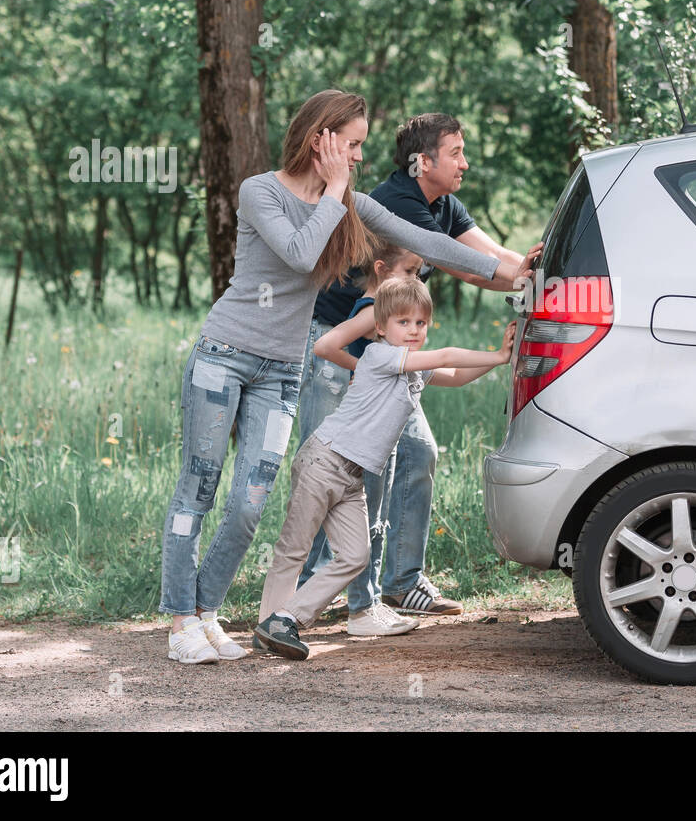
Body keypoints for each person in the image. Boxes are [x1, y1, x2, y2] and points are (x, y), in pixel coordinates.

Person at [159, 90, 536, 664]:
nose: (359, 157)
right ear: (321, 140)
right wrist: (335, 192)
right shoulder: (261, 191)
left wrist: (515, 276)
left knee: (250, 503)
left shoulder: (351, 203)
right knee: (200, 488)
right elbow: (301, 255)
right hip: (225, 354)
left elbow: (429, 241)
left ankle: (207, 614)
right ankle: (181, 617)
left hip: (283, 371)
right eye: (352, 144)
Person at [301, 112, 536, 620]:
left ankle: (401, 583)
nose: (465, 164)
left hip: (384, 354)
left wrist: (540, 275)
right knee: (331, 471)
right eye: (456, 153)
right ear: (421, 161)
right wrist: (533, 282)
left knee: (416, 453)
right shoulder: (398, 203)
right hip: (335, 344)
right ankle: (308, 593)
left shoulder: (444, 203)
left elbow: (493, 254)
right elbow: (462, 264)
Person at [254, 277, 516, 659]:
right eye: (402, 322)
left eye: (420, 324)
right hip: (324, 461)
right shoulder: (379, 356)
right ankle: (271, 628)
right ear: (380, 327)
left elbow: (456, 376)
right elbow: (445, 357)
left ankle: (285, 619)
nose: (412, 331)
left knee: (355, 556)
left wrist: (500, 356)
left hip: (353, 477)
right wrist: (497, 357)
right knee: (294, 550)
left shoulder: (413, 369)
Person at [299, 242, 423, 637]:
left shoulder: (386, 313)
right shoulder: (376, 312)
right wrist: (363, 368)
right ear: (383, 269)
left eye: (420, 273)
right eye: (410, 272)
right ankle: (360, 607)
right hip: (363, 438)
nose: (416, 281)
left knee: (360, 513)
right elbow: (326, 346)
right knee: (369, 514)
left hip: (370, 431)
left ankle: (346, 600)